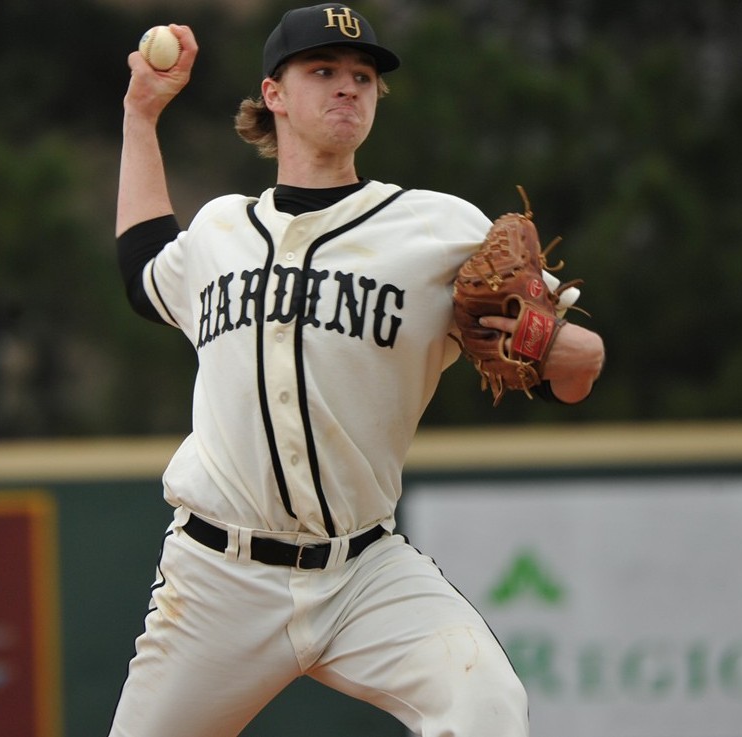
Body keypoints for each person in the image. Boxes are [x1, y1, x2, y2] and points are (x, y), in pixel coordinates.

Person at [109, 4, 604, 736]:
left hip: (363, 572)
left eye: (363, 76)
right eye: (323, 71)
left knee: (486, 704)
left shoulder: (438, 228)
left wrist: (548, 341)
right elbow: (143, 270)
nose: (348, 87)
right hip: (218, 576)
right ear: (273, 95)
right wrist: (141, 116)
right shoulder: (220, 229)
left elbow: (580, 366)